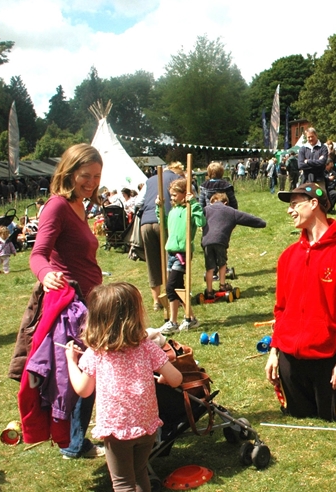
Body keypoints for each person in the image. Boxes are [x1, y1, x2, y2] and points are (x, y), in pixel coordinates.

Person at [27, 143, 105, 460]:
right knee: (83, 372)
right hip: (73, 306)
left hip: (92, 300)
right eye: (85, 175)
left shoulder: (80, 205)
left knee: (91, 370)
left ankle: (75, 439)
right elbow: (38, 254)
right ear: (69, 172)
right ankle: (73, 442)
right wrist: (46, 274)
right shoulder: (56, 206)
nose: (91, 182)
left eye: (97, 176)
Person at [65, 282, 183, 492]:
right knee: (140, 473)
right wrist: (163, 379)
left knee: (123, 482)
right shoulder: (146, 347)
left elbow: (83, 390)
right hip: (146, 426)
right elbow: (176, 379)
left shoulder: (96, 353)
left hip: (116, 429)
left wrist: (70, 362)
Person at [266, 183, 336, 421]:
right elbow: (281, 309)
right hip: (290, 355)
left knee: (332, 416)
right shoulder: (287, 256)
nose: (289, 210)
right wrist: (274, 350)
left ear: (313, 203)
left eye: (294, 204)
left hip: (327, 355)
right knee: (297, 414)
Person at [157, 178, 204, 335]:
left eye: (175, 194)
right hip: (171, 253)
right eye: (170, 195)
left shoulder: (189, 209)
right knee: (178, 287)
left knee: (171, 287)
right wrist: (159, 208)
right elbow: (164, 223)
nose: (172, 198)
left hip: (182, 253)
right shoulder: (173, 211)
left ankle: (173, 322)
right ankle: (191, 318)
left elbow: (201, 222)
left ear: (185, 194)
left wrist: (194, 204)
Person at [136, 162, 182, 311]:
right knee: (171, 259)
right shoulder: (177, 179)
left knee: (152, 262)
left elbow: (138, 202)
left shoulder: (150, 180)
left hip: (146, 223)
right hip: (165, 220)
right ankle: (172, 296)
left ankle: (156, 300)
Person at [202, 192, 266, 299]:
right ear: (225, 202)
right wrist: (262, 223)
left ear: (212, 201)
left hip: (206, 242)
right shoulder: (231, 211)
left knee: (210, 268)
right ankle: (222, 285)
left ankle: (209, 291)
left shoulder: (206, 210)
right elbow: (248, 218)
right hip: (221, 240)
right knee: (222, 263)